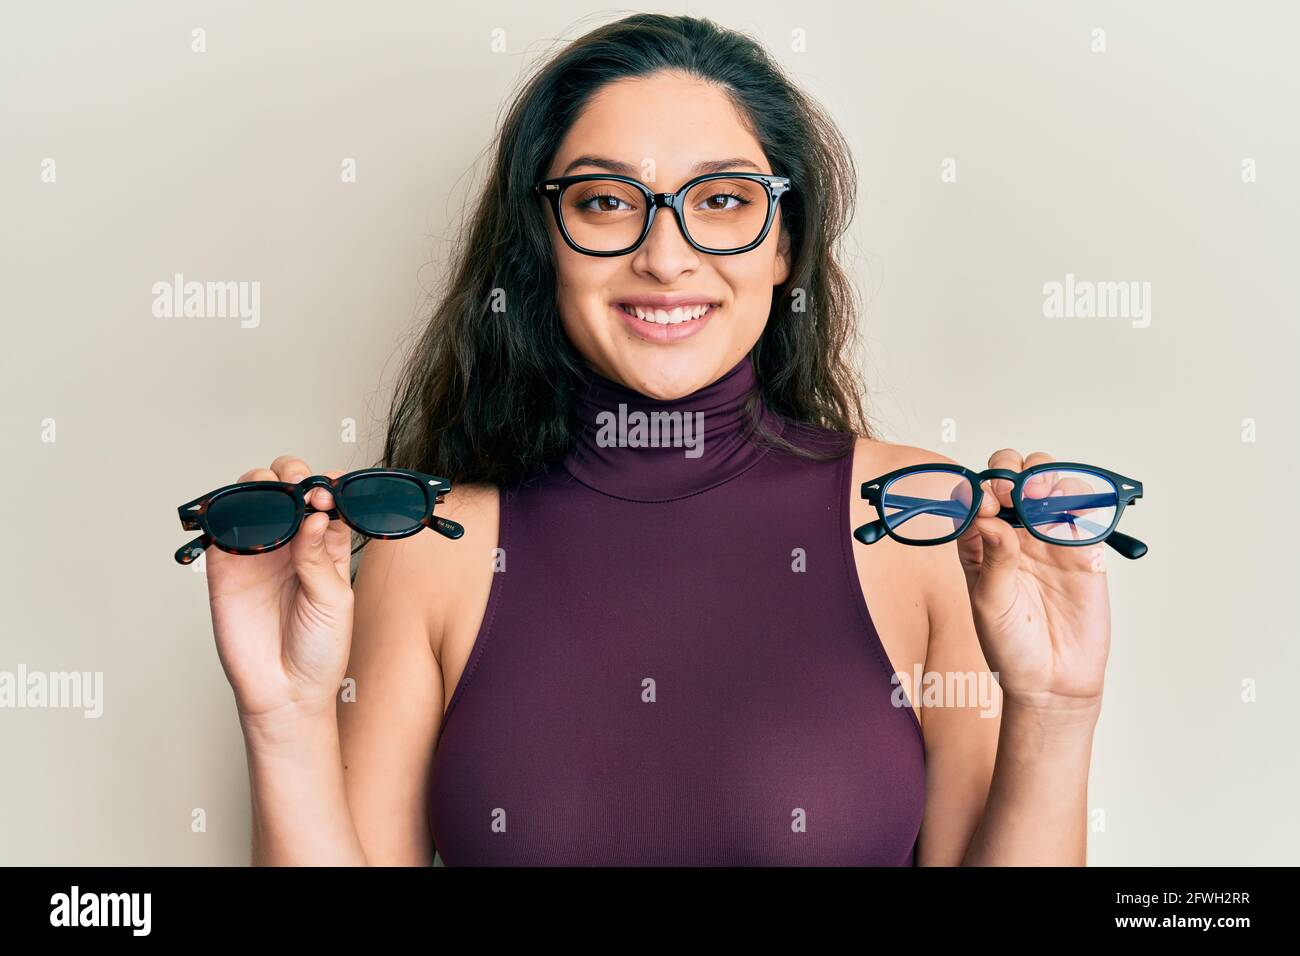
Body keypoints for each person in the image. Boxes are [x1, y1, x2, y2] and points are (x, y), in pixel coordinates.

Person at [207, 13, 1109, 866]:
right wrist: (283, 720)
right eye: (606, 202)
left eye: (721, 199)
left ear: (784, 243)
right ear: (542, 241)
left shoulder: (915, 522)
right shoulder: (435, 551)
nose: (666, 257)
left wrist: (1058, 709)